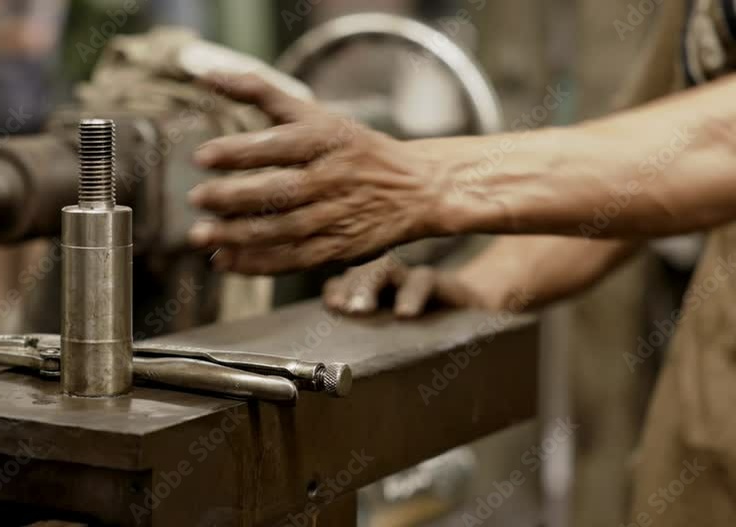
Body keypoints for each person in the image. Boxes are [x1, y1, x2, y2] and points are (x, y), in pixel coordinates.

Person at [185, 2, 736, 524]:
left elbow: (717, 142)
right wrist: (479, 286)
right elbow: (645, 160)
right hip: (698, 447)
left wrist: (424, 180)